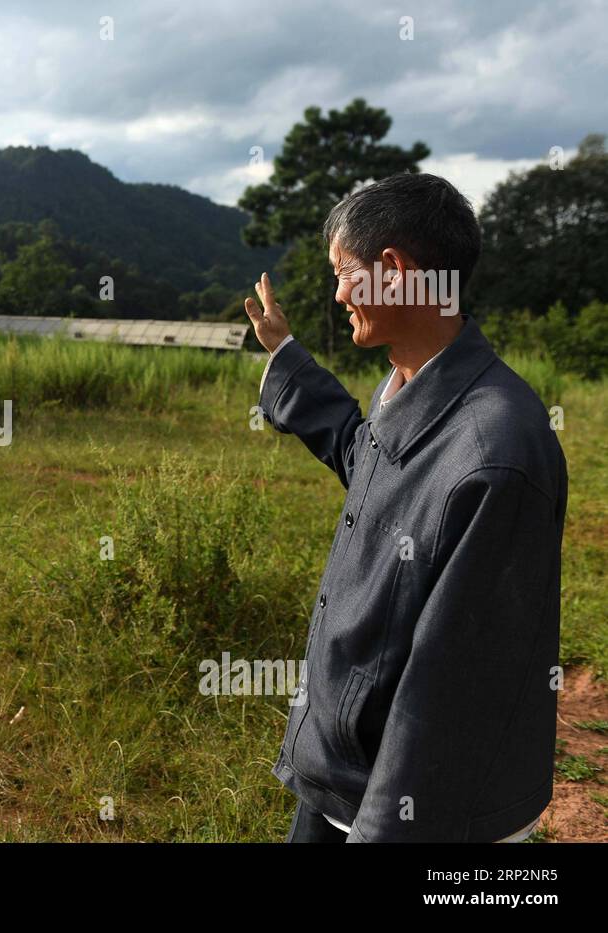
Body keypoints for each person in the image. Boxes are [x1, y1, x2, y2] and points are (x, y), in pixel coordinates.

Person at [245, 172, 568, 842]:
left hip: (414, 812)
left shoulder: (495, 451)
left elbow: (449, 694)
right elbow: (364, 456)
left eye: (342, 272)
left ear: (391, 271)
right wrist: (286, 356)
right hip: (346, 777)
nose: (336, 295)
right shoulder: (411, 386)